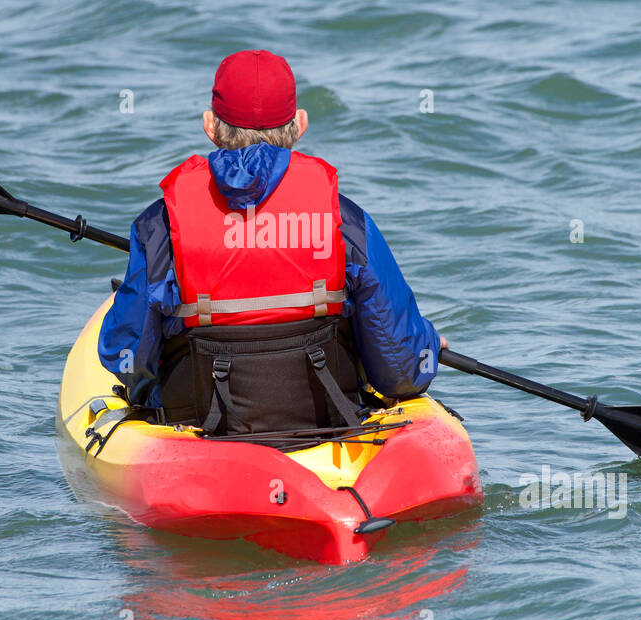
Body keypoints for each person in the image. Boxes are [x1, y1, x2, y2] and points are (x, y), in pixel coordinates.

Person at [98, 49, 447, 437]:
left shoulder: (159, 224)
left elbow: (125, 358)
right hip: (326, 422)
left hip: (201, 428)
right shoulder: (344, 221)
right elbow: (399, 370)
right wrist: (427, 346)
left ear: (210, 126)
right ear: (300, 125)